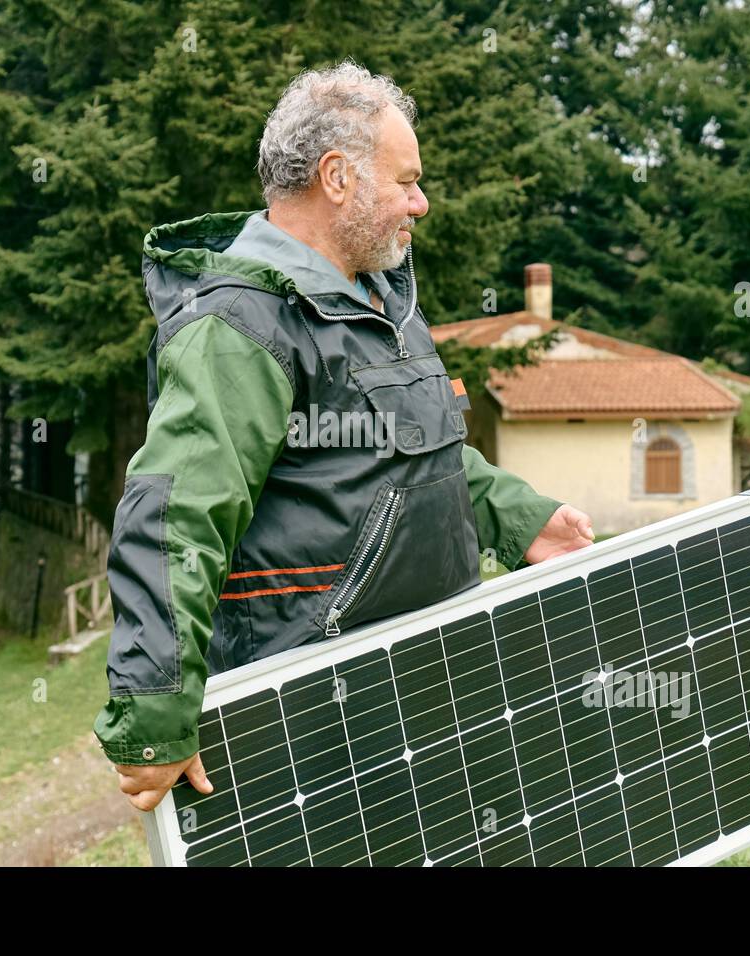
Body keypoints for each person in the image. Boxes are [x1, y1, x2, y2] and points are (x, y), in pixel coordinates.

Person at [96, 60, 594, 812]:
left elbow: (416, 448)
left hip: (427, 694)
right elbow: (173, 517)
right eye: (406, 180)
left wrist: (520, 518)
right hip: (311, 732)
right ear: (337, 177)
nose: (421, 203)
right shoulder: (239, 326)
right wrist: (153, 716)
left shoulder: (380, 298)